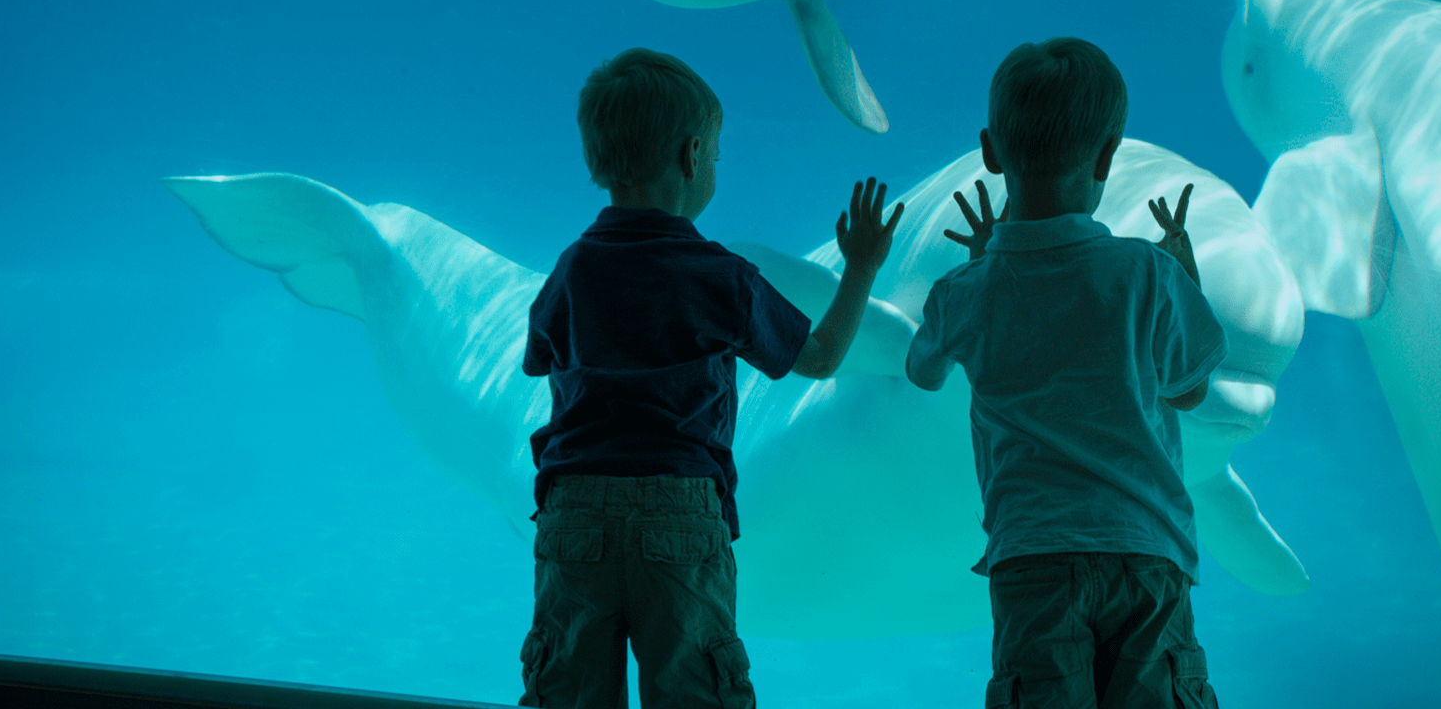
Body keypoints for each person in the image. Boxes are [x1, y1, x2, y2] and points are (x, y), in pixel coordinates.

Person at [519, 47, 902, 709]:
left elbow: (541, 358)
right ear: (693, 156)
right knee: (698, 695)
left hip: (573, 512)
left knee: (567, 696)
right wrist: (862, 267)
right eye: (717, 155)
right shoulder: (718, 274)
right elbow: (819, 358)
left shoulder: (573, 267)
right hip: (680, 510)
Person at [906, 37, 1228, 709]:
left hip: (1031, 557)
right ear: (1109, 156)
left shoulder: (964, 292)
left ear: (990, 152)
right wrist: (1184, 275)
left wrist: (978, 268)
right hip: (1147, 551)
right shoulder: (1150, 273)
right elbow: (1190, 389)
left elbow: (922, 371)